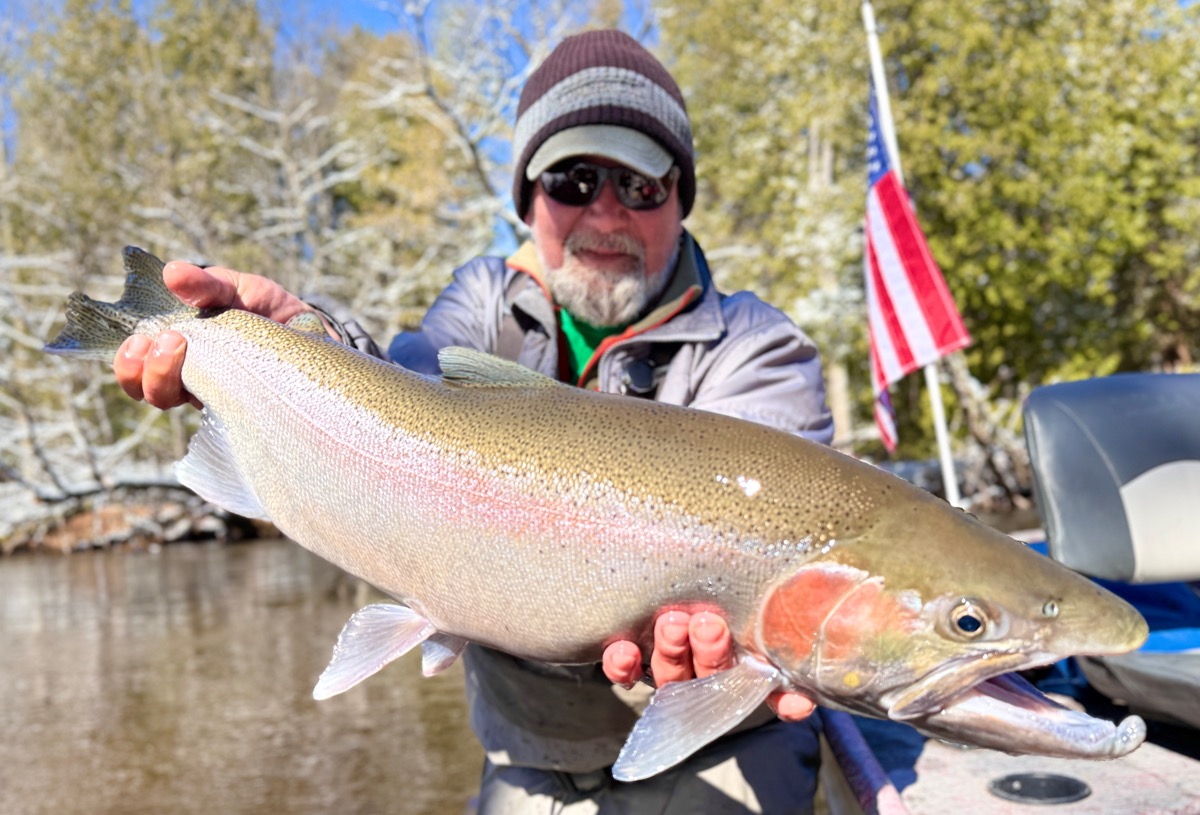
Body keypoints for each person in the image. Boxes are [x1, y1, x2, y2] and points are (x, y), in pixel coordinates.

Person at [115, 29, 834, 814]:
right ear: (528, 198)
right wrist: (308, 343)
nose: (604, 211)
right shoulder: (484, 300)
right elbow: (408, 396)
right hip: (527, 751)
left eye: (640, 185)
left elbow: (789, 540)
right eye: (573, 178)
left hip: (727, 746)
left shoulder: (759, 348)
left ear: (679, 198)